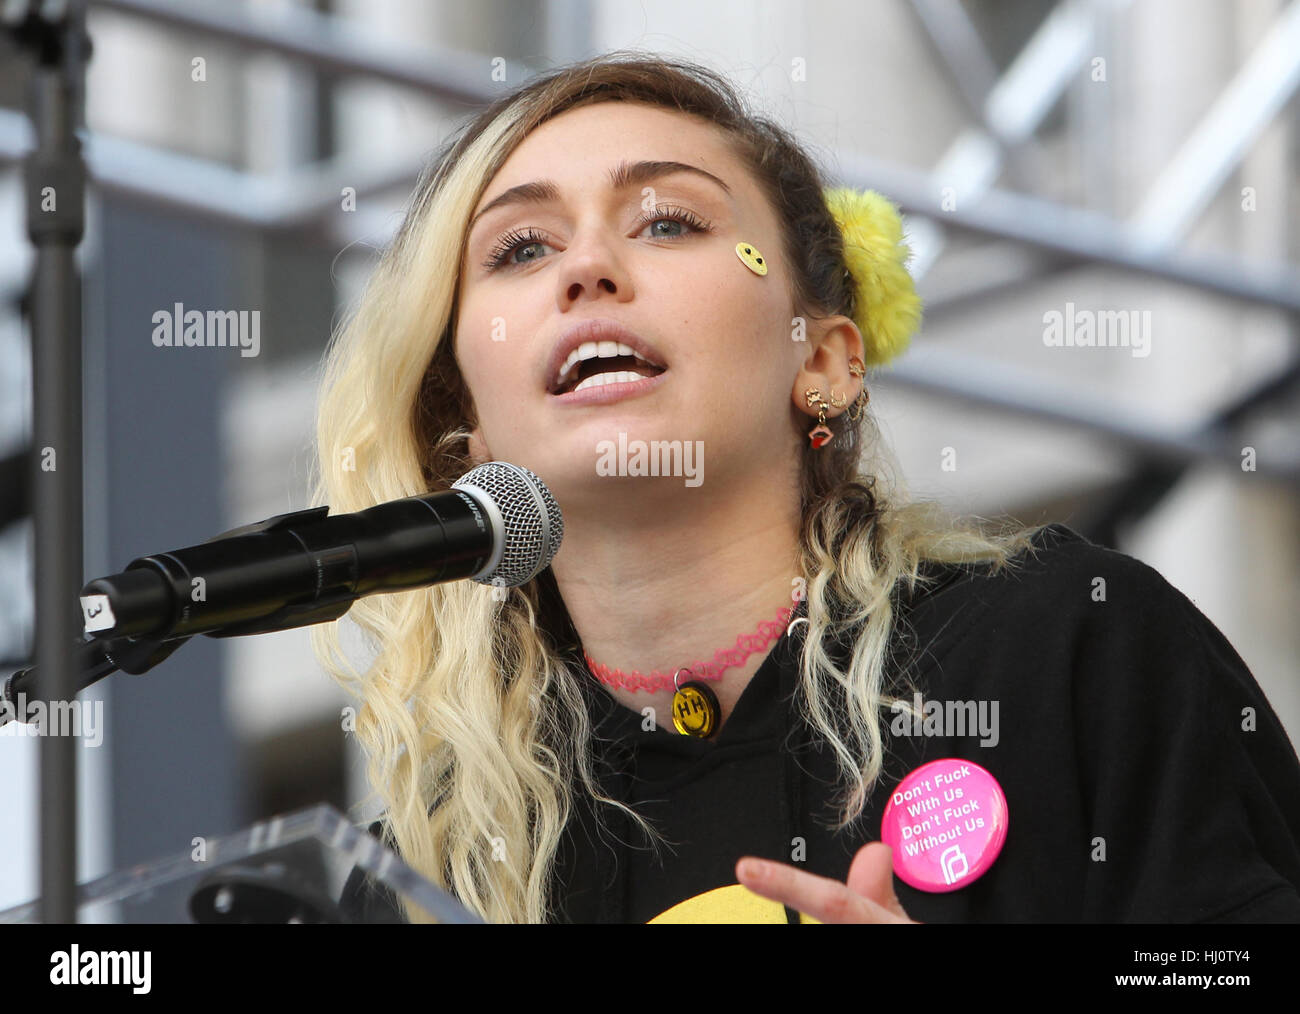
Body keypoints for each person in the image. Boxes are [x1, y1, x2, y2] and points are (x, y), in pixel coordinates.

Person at [318, 52, 1300, 924]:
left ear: (824, 360)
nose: (585, 268)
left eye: (667, 222)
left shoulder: (1070, 643)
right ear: (472, 431)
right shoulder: (426, 874)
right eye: (521, 249)